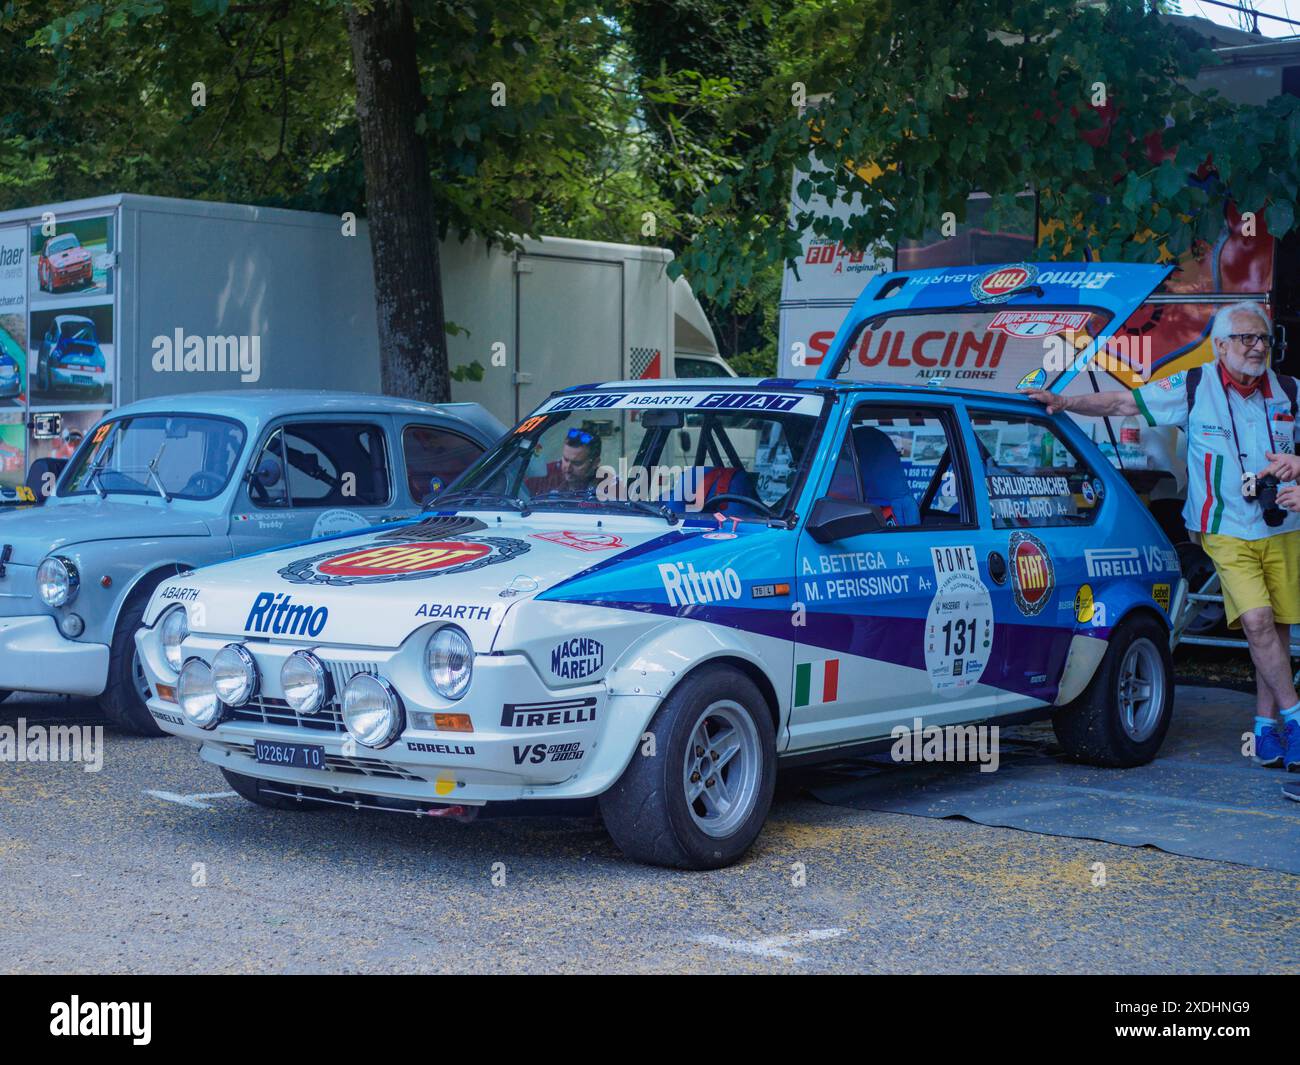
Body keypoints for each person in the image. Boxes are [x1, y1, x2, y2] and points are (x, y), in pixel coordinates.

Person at [1028, 301, 1300, 775]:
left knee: (1273, 628)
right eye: (1246, 339)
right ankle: (1297, 719)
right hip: (1223, 527)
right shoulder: (1195, 384)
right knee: (1257, 622)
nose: (1258, 348)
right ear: (1220, 345)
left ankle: (1265, 727)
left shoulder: (1290, 391)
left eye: (1264, 339)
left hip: (1282, 526)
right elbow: (1121, 402)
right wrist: (1065, 402)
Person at [526, 426, 602, 495]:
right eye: (565, 459)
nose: (568, 468)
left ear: (595, 463)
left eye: (577, 463)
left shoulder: (608, 486)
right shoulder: (545, 474)